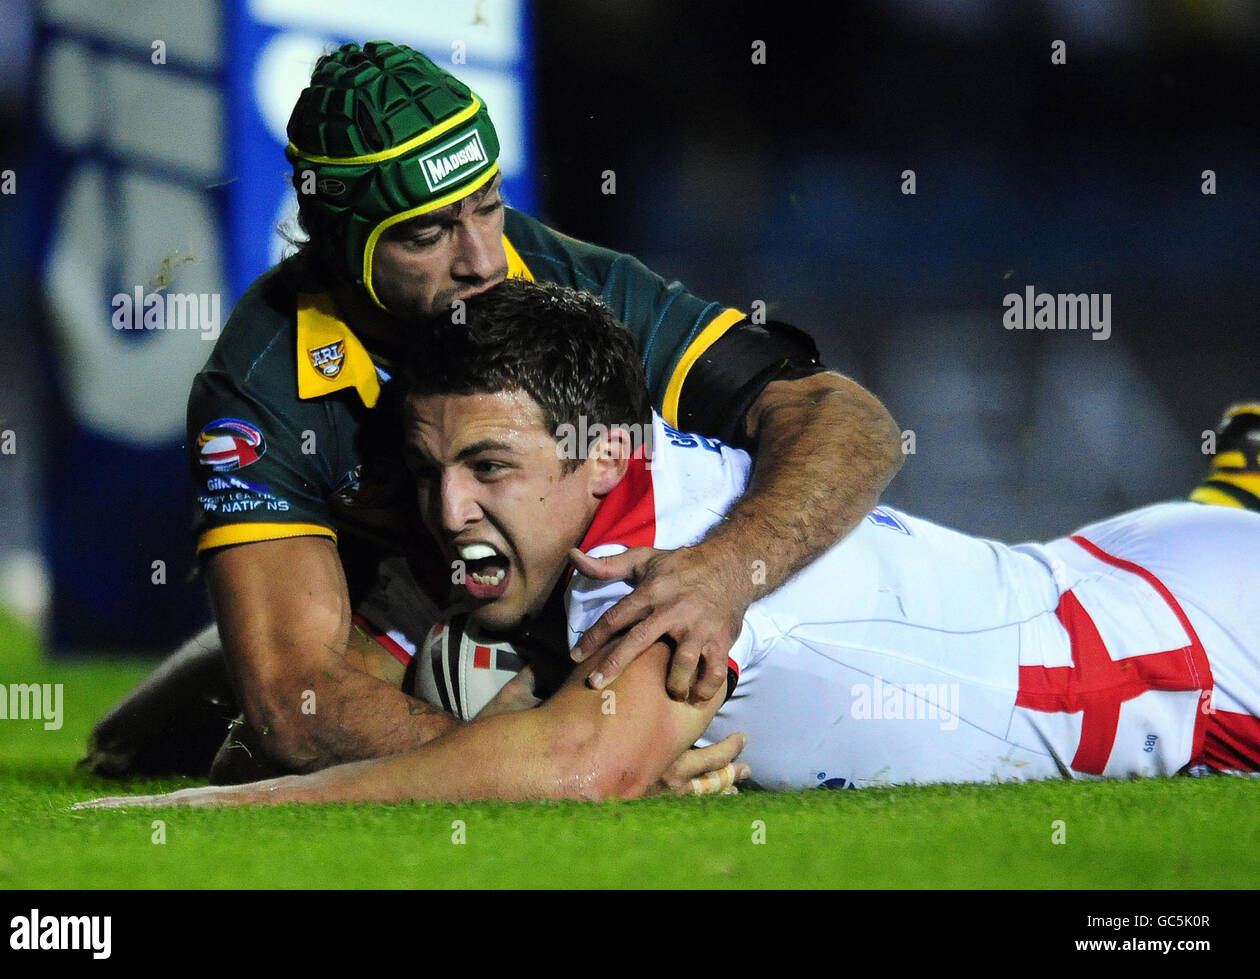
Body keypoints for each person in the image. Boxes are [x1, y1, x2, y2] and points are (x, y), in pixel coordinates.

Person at [74, 281, 1260, 811]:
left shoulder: (660, 565)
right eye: (431, 472)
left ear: (600, 456)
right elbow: (262, 697)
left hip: (1204, 656)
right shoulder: (552, 512)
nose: (448, 512)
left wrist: (227, 817)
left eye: (486, 470)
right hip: (1126, 562)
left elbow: (583, 770)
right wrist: (203, 739)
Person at [82, 40, 905, 780]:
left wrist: (727, 570)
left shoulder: (576, 285)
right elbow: (297, 697)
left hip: (533, 591)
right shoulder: (259, 384)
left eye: (486, 203)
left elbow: (847, 418)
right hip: (379, 602)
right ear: (338, 244)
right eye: (427, 234)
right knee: (167, 744)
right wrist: (544, 763)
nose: (483, 259)